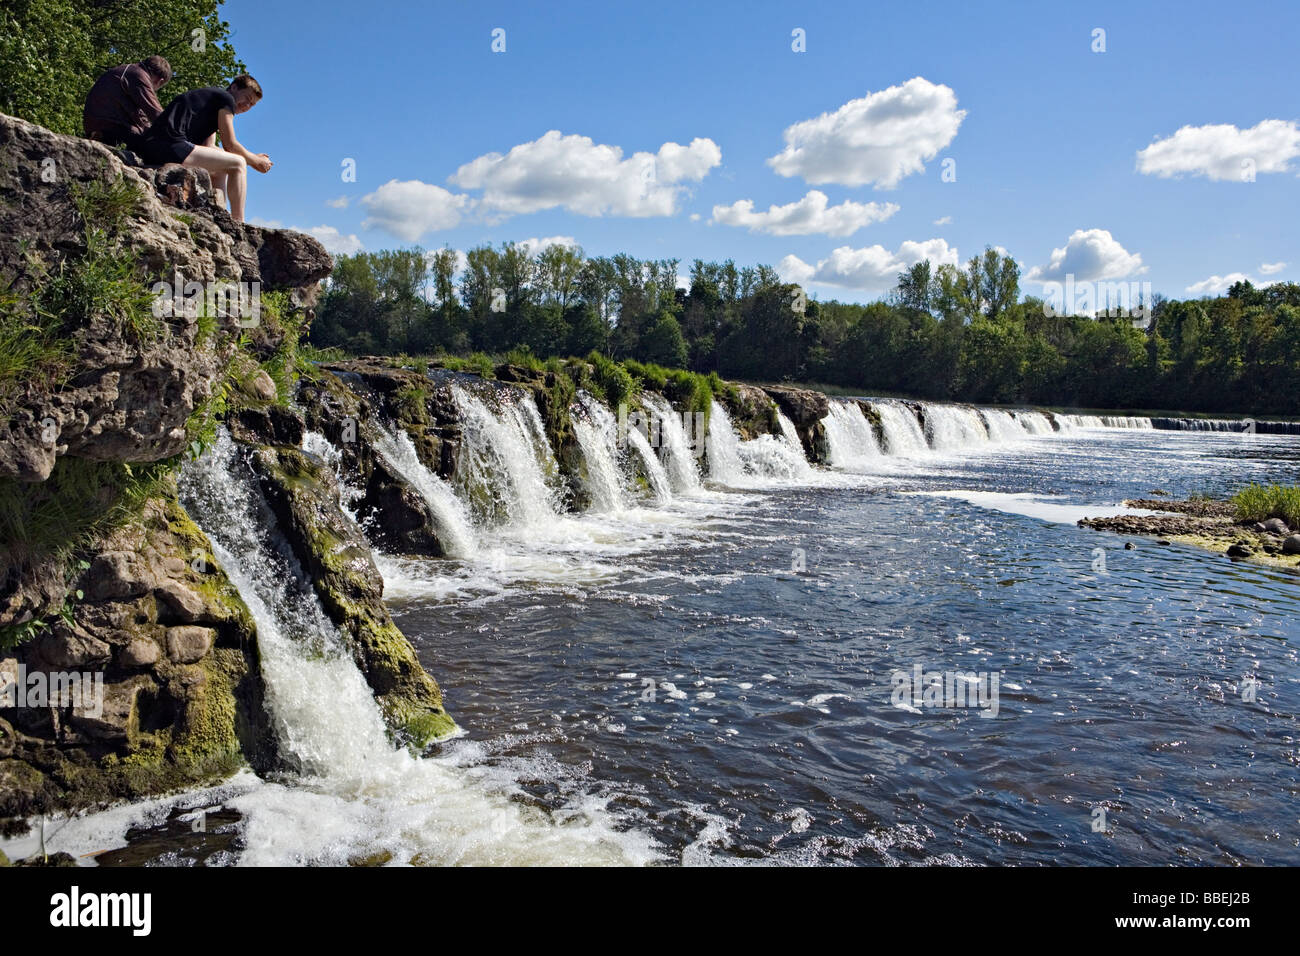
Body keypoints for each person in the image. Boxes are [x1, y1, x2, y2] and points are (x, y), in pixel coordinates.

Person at [137, 74, 272, 222]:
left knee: (221, 169)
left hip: (157, 146)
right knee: (238, 164)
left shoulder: (211, 102)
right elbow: (230, 145)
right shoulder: (226, 99)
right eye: (246, 98)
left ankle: (220, 213)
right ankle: (239, 222)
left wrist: (251, 158)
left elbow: (210, 148)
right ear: (234, 87)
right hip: (169, 144)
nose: (247, 106)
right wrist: (255, 161)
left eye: (252, 105)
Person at [82, 56, 172, 153]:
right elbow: (156, 113)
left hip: (96, 124)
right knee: (159, 148)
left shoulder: (127, 70)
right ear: (160, 81)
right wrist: (176, 134)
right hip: (111, 127)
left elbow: (142, 116)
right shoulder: (139, 75)